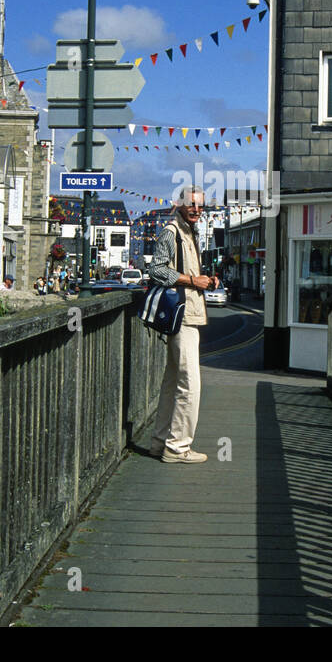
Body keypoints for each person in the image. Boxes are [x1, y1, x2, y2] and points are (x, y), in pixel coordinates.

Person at [149, 184, 218, 464]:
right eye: (191, 204)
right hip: (182, 315)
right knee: (190, 383)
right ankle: (178, 447)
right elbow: (156, 269)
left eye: (200, 206)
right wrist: (193, 281)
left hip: (189, 311)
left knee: (173, 380)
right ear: (179, 203)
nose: (196, 210)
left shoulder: (190, 232)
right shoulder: (172, 232)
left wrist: (205, 281)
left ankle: (160, 440)